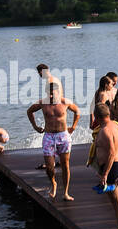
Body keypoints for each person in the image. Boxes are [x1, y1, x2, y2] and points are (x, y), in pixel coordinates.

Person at [27, 66, 81, 201]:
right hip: (49, 136)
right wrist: (35, 126)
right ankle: (54, 183)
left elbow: (78, 112)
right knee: (50, 167)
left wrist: (73, 127)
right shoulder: (42, 103)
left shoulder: (65, 102)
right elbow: (29, 111)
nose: (51, 96)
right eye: (49, 93)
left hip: (63, 135)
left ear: (58, 92)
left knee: (65, 165)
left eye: (54, 93)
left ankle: (66, 192)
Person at [91, 103, 118, 229]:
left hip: (113, 168)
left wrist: (105, 173)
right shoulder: (116, 125)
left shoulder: (106, 130)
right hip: (113, 167)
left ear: (97, 117)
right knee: (114, 201)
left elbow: (112, 153)